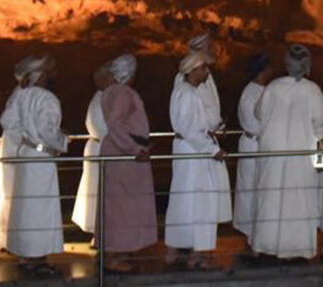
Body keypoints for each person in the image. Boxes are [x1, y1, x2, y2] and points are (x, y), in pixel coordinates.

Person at [0, 54, 66, 274]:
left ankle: (26, 254)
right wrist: (62, 141)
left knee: (25, 206)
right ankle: (36, 258)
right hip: (40, 158)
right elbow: (48, 131)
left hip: (25, 154)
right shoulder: (47, 99)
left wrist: (25, 137)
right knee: (39, 207)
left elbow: (8, 122)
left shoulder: (21, 94)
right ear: (41, 75)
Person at [250, 45, 323, 260]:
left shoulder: (273, 87)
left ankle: (266, 246)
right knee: (299, 201)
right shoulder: (312, 90)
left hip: (273, 155)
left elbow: (258, 112)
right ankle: (298, 248)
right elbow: (321, 127)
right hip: (300, 156)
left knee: (271, 200)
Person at [166, 51, 229, 267]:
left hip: (194, 152)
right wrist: (212, 149)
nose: (206, 72)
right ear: (193, 70)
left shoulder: (189, 92)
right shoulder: (186, 94)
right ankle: (196, 254)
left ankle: (192, 251)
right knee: (195, 201)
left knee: (191, 201)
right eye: (203, 68)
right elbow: (189, 130)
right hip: (193, 154)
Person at [99, 54, 158, 271]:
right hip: (125, 156)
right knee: (123, 206)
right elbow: (116, 124)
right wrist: (134, 149)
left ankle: (119, 252)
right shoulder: (123, 93)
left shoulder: (109, 92)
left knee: (119, 205)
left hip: (120, 153)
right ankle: (115, 256)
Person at [182, 32, 232, 227]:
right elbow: (190, 120)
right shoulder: (185, 84)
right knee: (194, 198)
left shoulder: (206, 77)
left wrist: (217, 126)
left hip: (207, 141)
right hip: (197, 146)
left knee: (206, 199)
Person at [234, 53, 274, 236]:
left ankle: (255, 233)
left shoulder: (254, 90)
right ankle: (253, 235)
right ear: (263, 70)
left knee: (254, 189)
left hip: (254, 143)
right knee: (252, 189)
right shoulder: (254, 92)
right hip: (254, 144)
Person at [72, 65, 111, 240]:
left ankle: (101, 233)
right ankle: (101, 234)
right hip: (102, 149)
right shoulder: (102, 99)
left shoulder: (103, 97)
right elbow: (104, 128)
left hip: (99, 148)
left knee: (99, 194)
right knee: (99, 193)